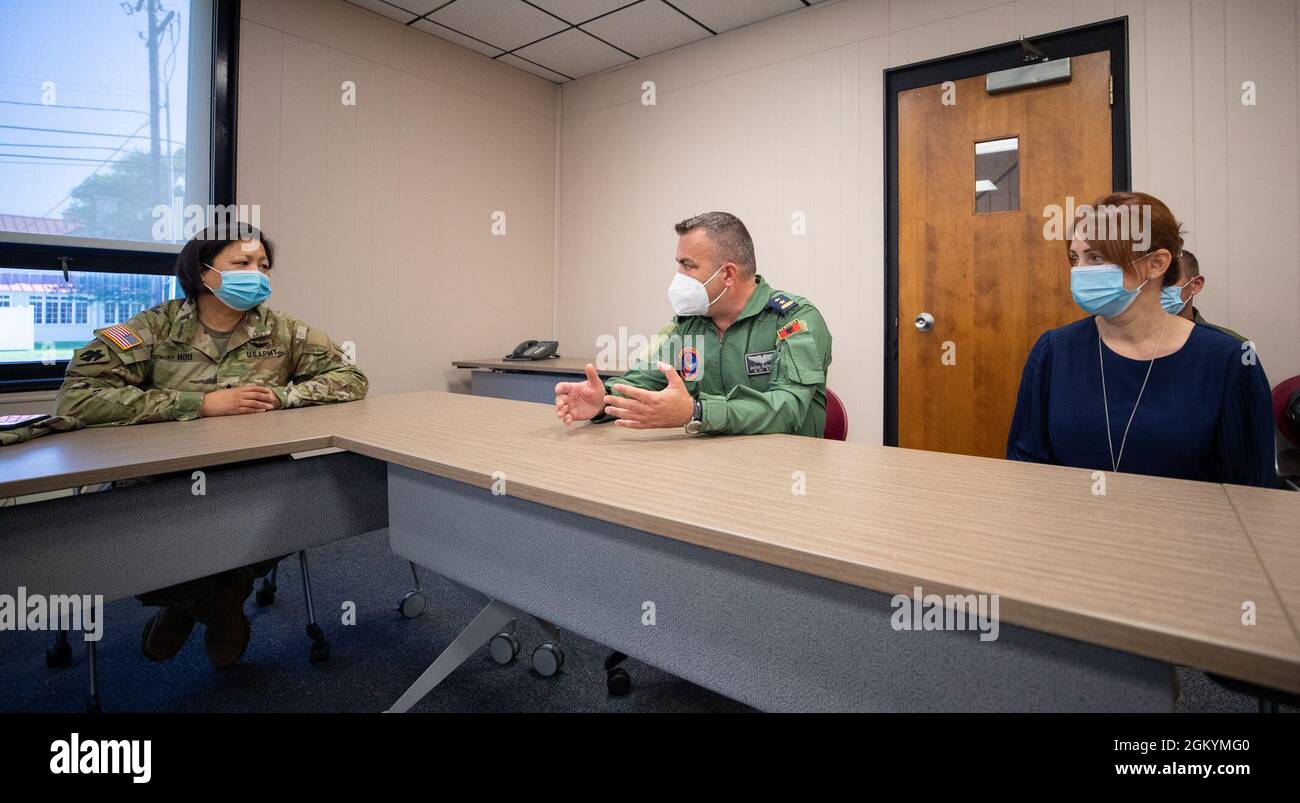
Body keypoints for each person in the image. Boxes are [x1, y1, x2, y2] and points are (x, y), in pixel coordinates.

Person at [55, 224, 368, 667]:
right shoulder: (152, 329)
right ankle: (222, 609)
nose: (256, 274)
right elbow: (78, 397)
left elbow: (352, 379)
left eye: (262, 265)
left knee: (290, 512)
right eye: (241, 264)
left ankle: (194, 605)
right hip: (159, 477)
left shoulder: (285, 332)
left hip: (257, 474)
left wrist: (283, 395)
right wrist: (199, 404)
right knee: (124, 544)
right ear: (202, 272)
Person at [1007, 192, 1274, 487]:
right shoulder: (1054, 351)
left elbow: (1252, 490)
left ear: (1156, 263)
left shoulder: (1228, 361)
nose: (1079, 272)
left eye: (1096, 257)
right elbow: (1025, 464)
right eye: (1075, 258)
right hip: (1072, 529)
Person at [554, 211, 832, 436]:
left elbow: (787, 409)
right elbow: (646, 379)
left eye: (688, 266)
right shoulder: (688, 326)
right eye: (678, 265)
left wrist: (697, 412)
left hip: (785, 474)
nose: (678, 276)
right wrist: (603, 401)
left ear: (728, 274)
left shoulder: (794, 320)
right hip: (710, 470)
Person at [1162, 249, 1249, 342]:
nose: (1156, 289)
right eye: (1149, 282)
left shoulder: (1232, 346)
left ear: (1196, 284)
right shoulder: (1145, 345)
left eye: (1169, 281)